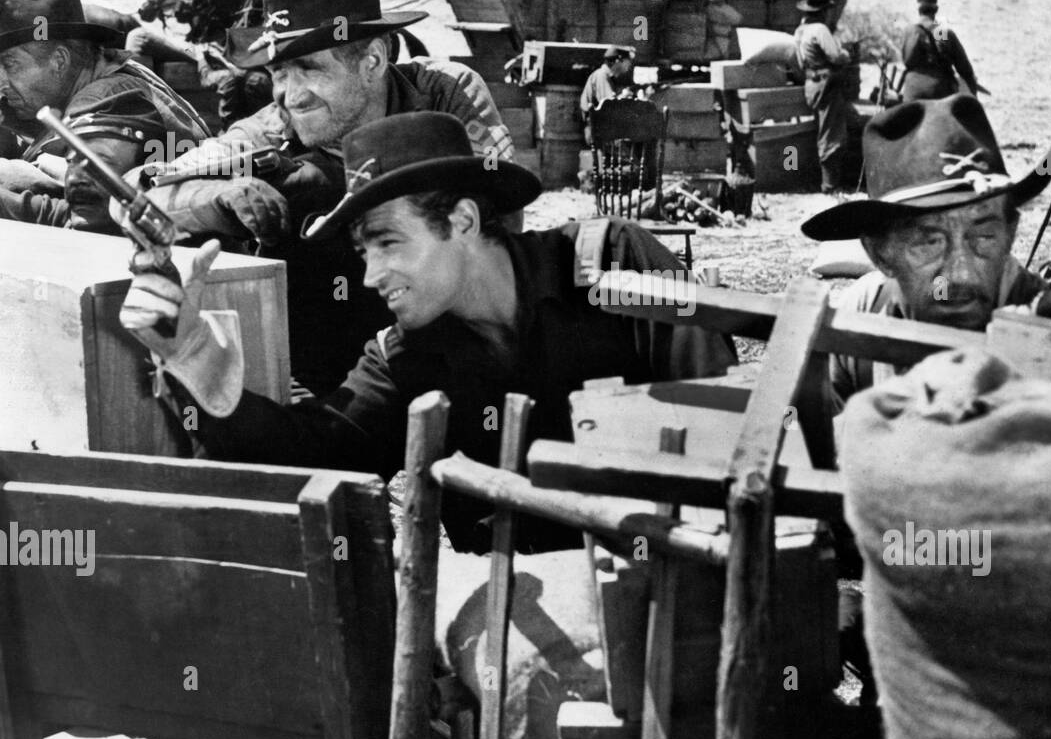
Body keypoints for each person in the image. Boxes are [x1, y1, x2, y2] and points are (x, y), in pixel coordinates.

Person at [117, 110, 739, 554]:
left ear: (463, 220)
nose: (369, 277)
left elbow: (725, 434)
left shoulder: (615, 265)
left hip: (677, 588)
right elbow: (315, 452)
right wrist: (196, 360)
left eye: (388, 242)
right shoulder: (405, 356)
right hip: (516, 625)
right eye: (363, 252)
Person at [124, 0, 517, 395]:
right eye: (278, 72)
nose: (290, 96)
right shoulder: (268, 130)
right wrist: (220, 197)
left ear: (372, 58)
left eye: (309, 68)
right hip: (332, 361)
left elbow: (497, 218)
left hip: (457, 334)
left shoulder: (444, 92)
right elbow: (141, 197)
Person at [800, 94, 1051, 410]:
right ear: (880, 254)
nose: (961, 274)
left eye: (983, 237)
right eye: (929, 242)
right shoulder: (859, 321)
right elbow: (813, 440)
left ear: (1011, 232)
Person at [0, 0, 211, 233]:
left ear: (59, 61)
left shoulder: (106, 99)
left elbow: (89, 217)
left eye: (11, 65)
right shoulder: (107, 69)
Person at [793, 0, 852, 194]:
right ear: (823, 11)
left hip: (811, 84)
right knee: (831, 132)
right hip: (827, 84)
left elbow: (799, 62)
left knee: (822, 129)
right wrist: (846, 54)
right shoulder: (820, 29)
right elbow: (835, 57)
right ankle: (830, 185)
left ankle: (815, 178)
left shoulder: (800, 31)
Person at [899, 0, 981, 102]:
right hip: (941, 93)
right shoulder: (942, 33)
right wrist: (973, 96)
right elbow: (965, 70)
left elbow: (905, 60)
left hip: (913, 93)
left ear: (918, 10)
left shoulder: (908, 31)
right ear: (936, 10)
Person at [579, 45, 641, 144]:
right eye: (627, 60)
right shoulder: (601, 75)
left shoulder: (608, 77)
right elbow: (608, 105)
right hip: (597, 133)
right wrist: (623, 96)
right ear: (617, 61)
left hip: (603, 131)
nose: (630, 64)